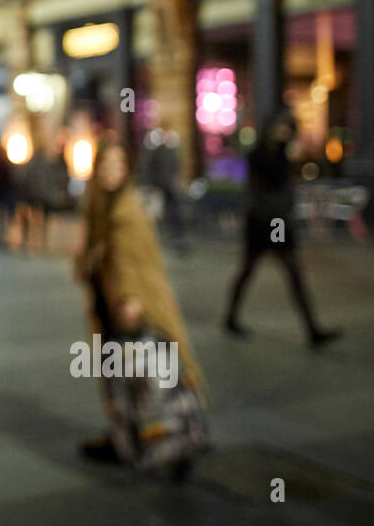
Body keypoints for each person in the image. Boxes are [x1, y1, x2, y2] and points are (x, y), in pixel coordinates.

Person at [72, 140, 209, 476]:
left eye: (118, 165)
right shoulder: (98, 203)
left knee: (148, 376)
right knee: (117, 374)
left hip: (132, 303)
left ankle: (170, 442)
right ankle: (124, 438)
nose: (111, 171)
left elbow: (136, 261)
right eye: (106, 164)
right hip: (108, 302)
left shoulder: (128, 208)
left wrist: (132, 299)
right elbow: (96, 252)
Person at [224, 109, 340, 347]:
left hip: (278, 222)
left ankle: (312, 330)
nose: (284, 132)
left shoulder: (283, 155)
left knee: (294, 274)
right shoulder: (258, 155)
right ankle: (230, 318)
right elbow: (258, 190)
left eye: (288, 128)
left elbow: (285, 188)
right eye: (282, 127)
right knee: (247, 271)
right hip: (260, 222)